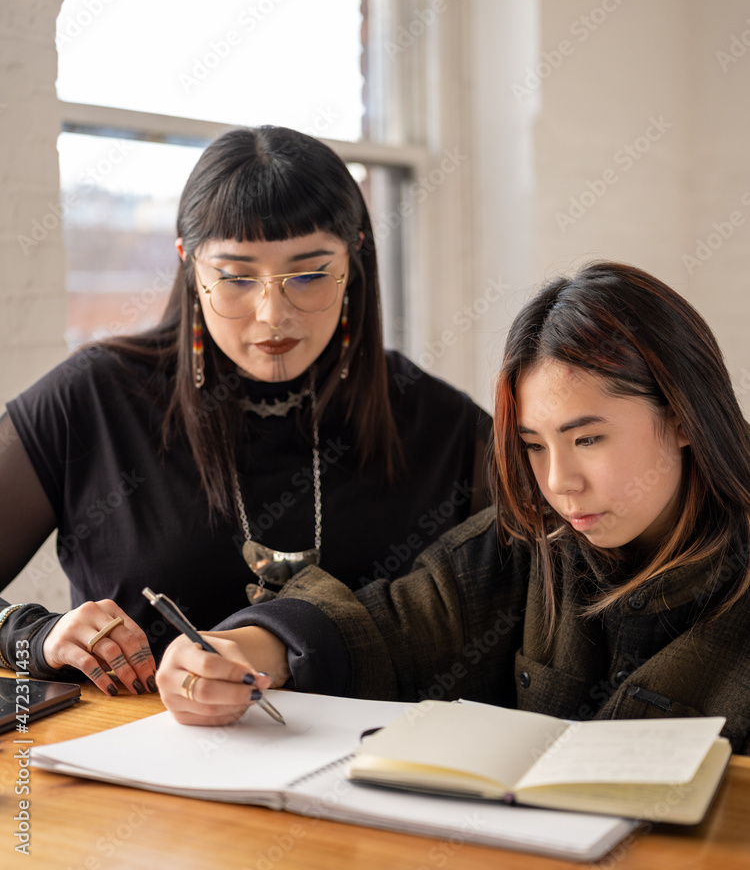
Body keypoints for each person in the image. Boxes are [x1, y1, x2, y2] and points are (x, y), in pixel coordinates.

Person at [156, 261, 750, 756]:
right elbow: (391, 626)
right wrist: (250, 650)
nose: (558, 483)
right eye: (534, 446)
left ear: (681, 418)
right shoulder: (532, 540)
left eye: (588, 439)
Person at [0, 126, 491, 697]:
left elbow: (542, 593)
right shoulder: (93, 400)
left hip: (377, 771)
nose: (272, 315)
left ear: (353, 258)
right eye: (235, 278)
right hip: (143, 771)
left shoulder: (437, 421)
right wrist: (32, 635)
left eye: (308, 274)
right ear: (189, 265)